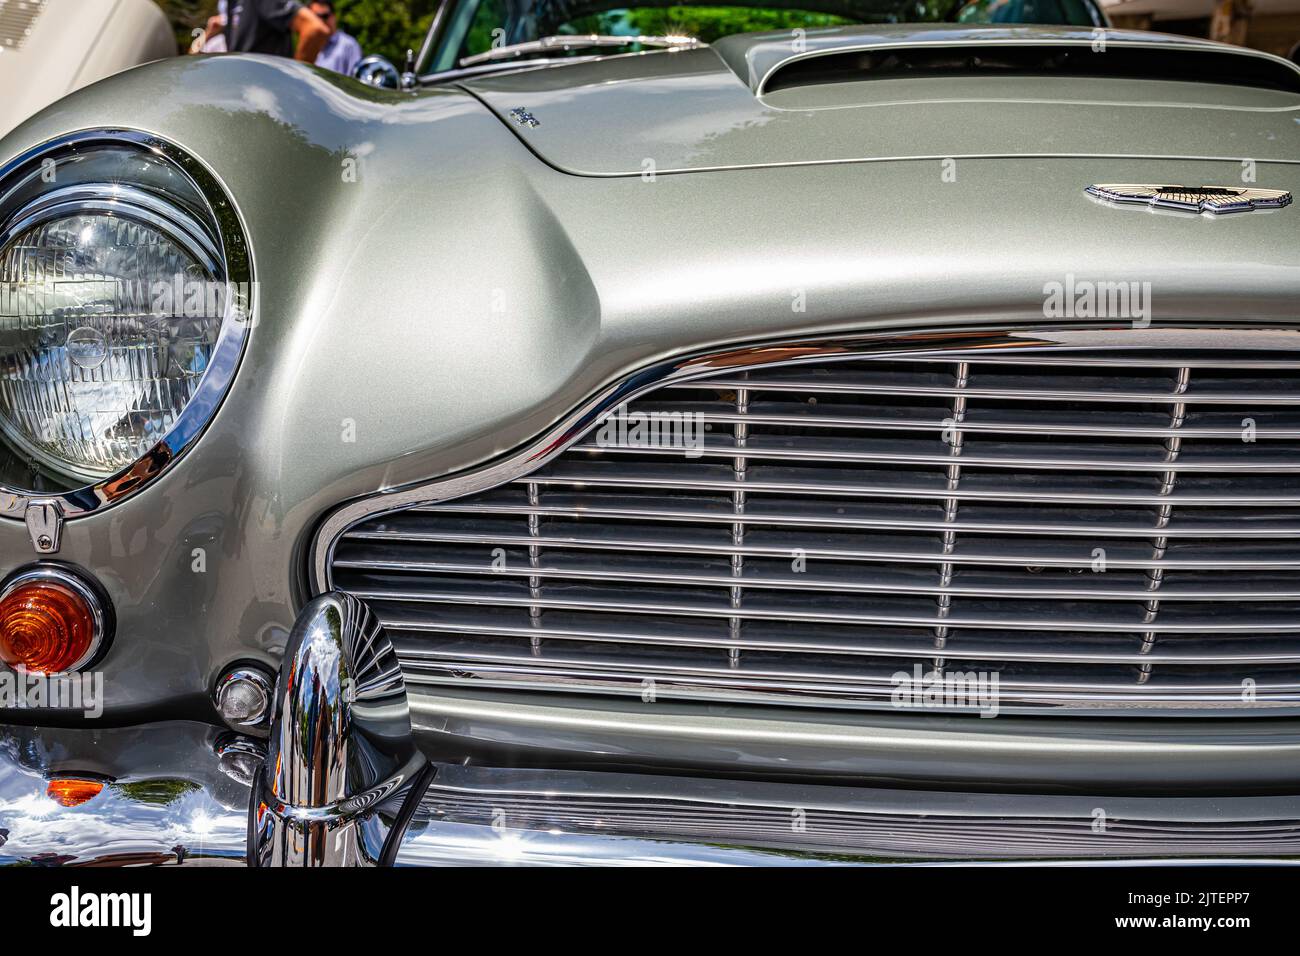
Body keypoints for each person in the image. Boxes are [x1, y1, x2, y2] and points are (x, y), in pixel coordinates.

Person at [224, 0, 330, 62]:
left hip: (265, 94)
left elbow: (314, 28)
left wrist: (295, 81)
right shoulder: (232, 3)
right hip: (242, 92)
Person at [310, 1, 363, 76]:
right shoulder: (309, 45)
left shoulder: (349, 45)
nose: (320, 21)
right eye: (315, 17)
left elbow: (356, 81)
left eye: (325, 16)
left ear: (334, 16)